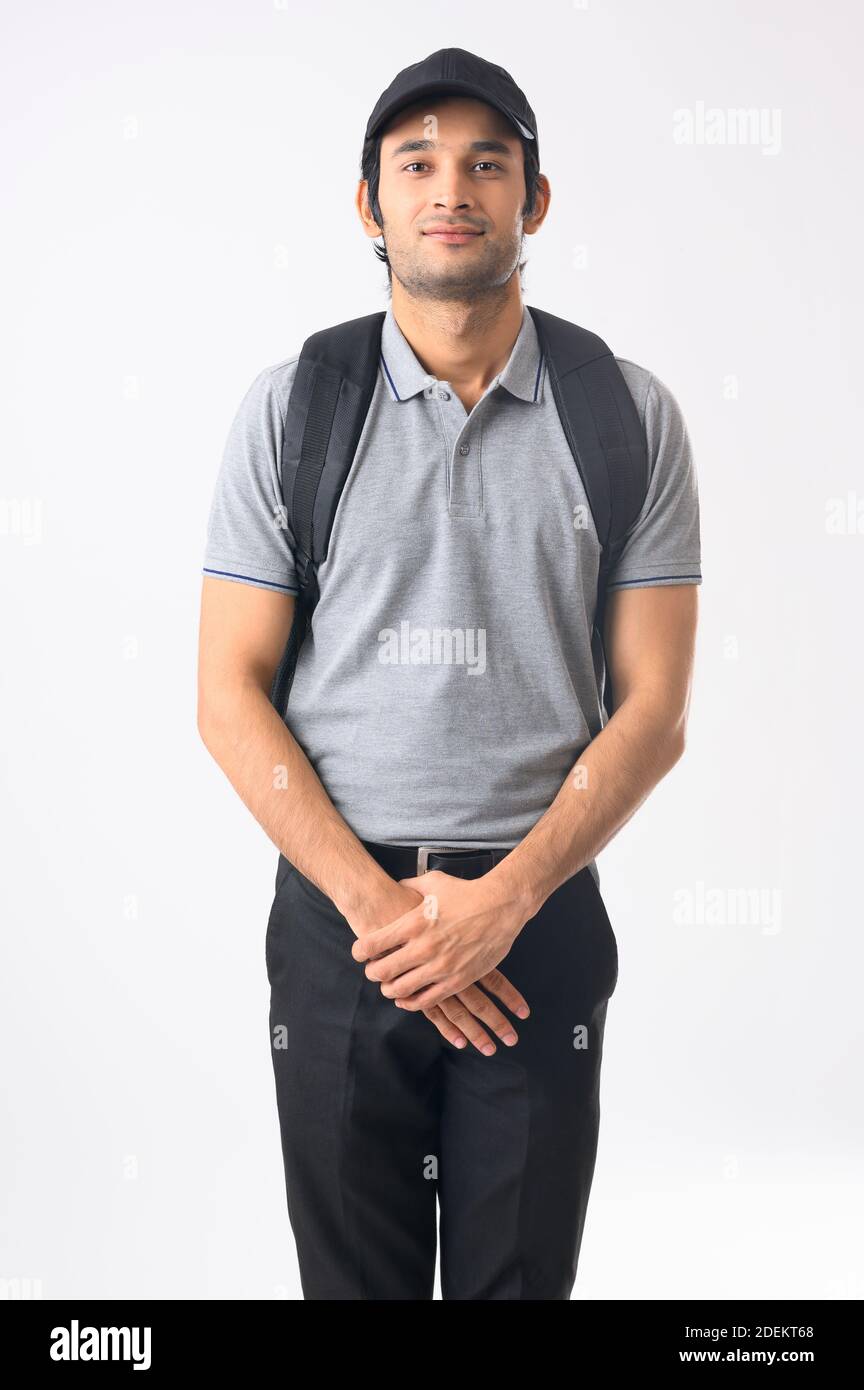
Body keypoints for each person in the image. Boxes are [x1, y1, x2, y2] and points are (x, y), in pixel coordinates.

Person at [197, 47, 701, 1300]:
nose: (451, 188)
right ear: (369, 205)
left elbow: (656, 712)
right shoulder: (294, 408)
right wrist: (387, 918)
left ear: (534, 199)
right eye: (416, 163)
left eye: (488, 162)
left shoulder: (625, 414)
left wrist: (505, 903)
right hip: (336, 920)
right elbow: (227, 693)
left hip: (538, 920)